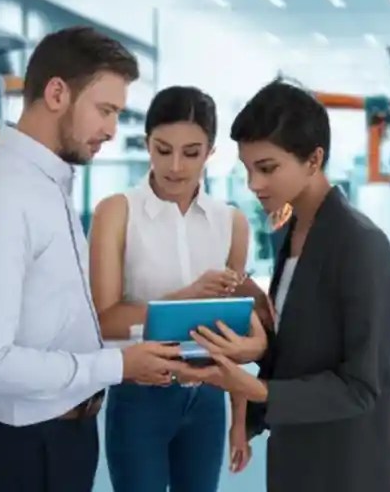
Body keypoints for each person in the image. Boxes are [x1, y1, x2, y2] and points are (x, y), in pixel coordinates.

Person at [0, 25, 185, 492]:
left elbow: (54, 324)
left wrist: (135, 354)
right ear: (57, 92)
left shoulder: (51, 184)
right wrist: (117, 367)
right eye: (105, 110)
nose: (113, 130)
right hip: (28, 449)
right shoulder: (2, 194)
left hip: (68, 433)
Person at [185, 80, 390, 491]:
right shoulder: (288, 232)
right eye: (248, 169)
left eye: (267, 168)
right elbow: (299, 346)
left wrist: (258, 389)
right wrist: (246, 407)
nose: (254, 184)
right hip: (295, 452)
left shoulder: (360, 243)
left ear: (313, 159)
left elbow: (361, 385)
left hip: (347, 463)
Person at [87, 85, 267, 491]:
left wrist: (239, 421)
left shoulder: (231, 222)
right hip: (140, 395)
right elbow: (105, 321)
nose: (176, 166)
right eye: (162, 149)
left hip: (208, 397)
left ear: (210, 153)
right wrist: (188, 296)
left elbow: (233, 333)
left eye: (192, 153)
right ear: (147, 143)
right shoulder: (117, 212)